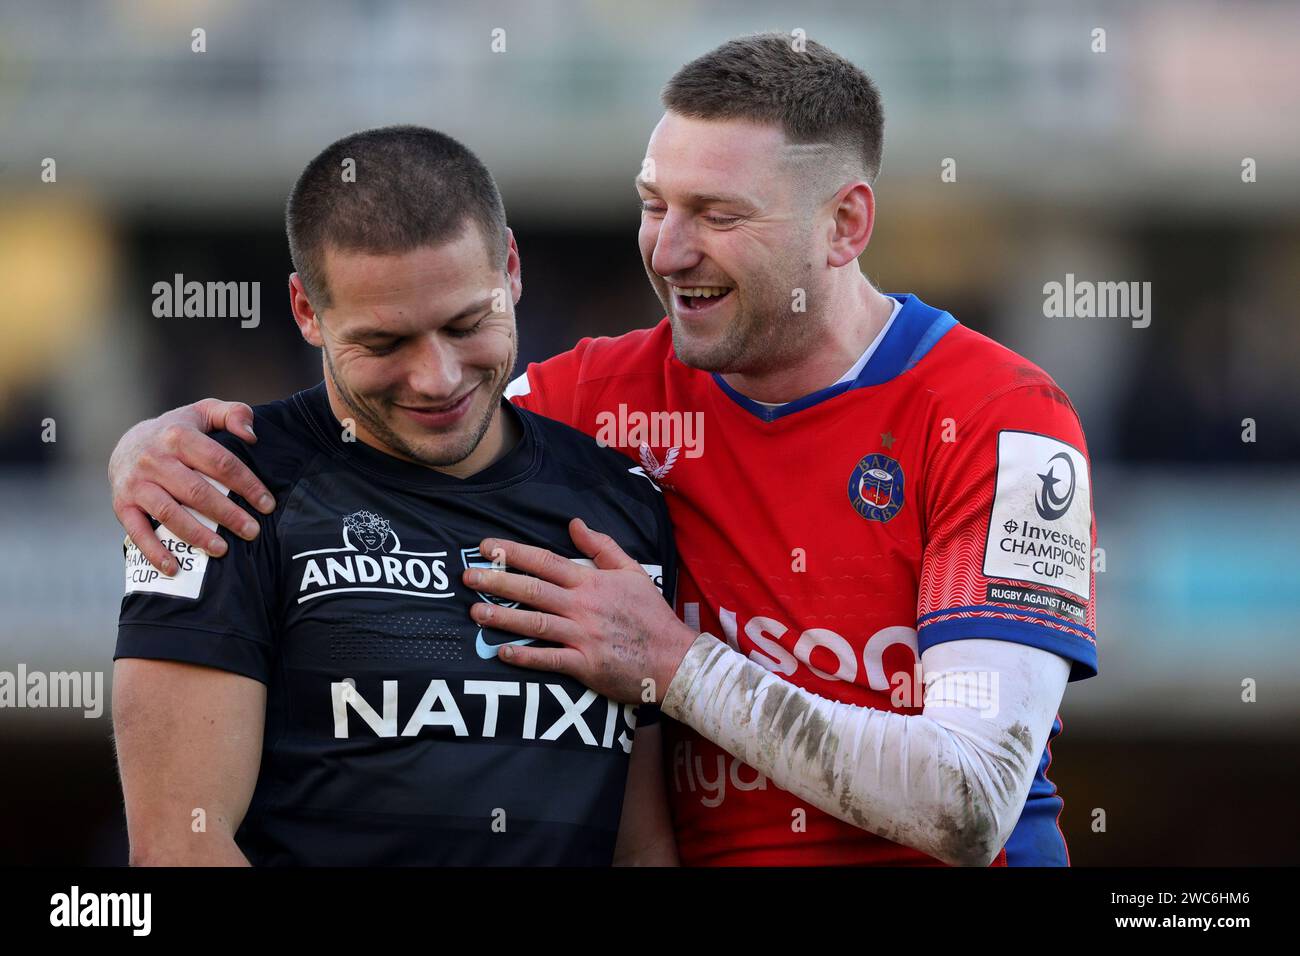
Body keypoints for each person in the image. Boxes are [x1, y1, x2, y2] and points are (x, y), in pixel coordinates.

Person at [109, 35, 1097, 866]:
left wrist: (676, 664)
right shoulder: (585, 403)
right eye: (653, 202)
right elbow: (398, 425)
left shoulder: (1004, 419)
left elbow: (970, 801)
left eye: (717, 215)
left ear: (844, 222)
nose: (666, 250)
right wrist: (150, 449)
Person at [113, 126, 678, 866]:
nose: (437, 378)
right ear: (307, 311)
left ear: (511, 267)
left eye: (466, 324)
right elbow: (178, 847)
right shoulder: (213, 493)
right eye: (384, 345)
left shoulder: (622, 505)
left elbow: (640, 850)